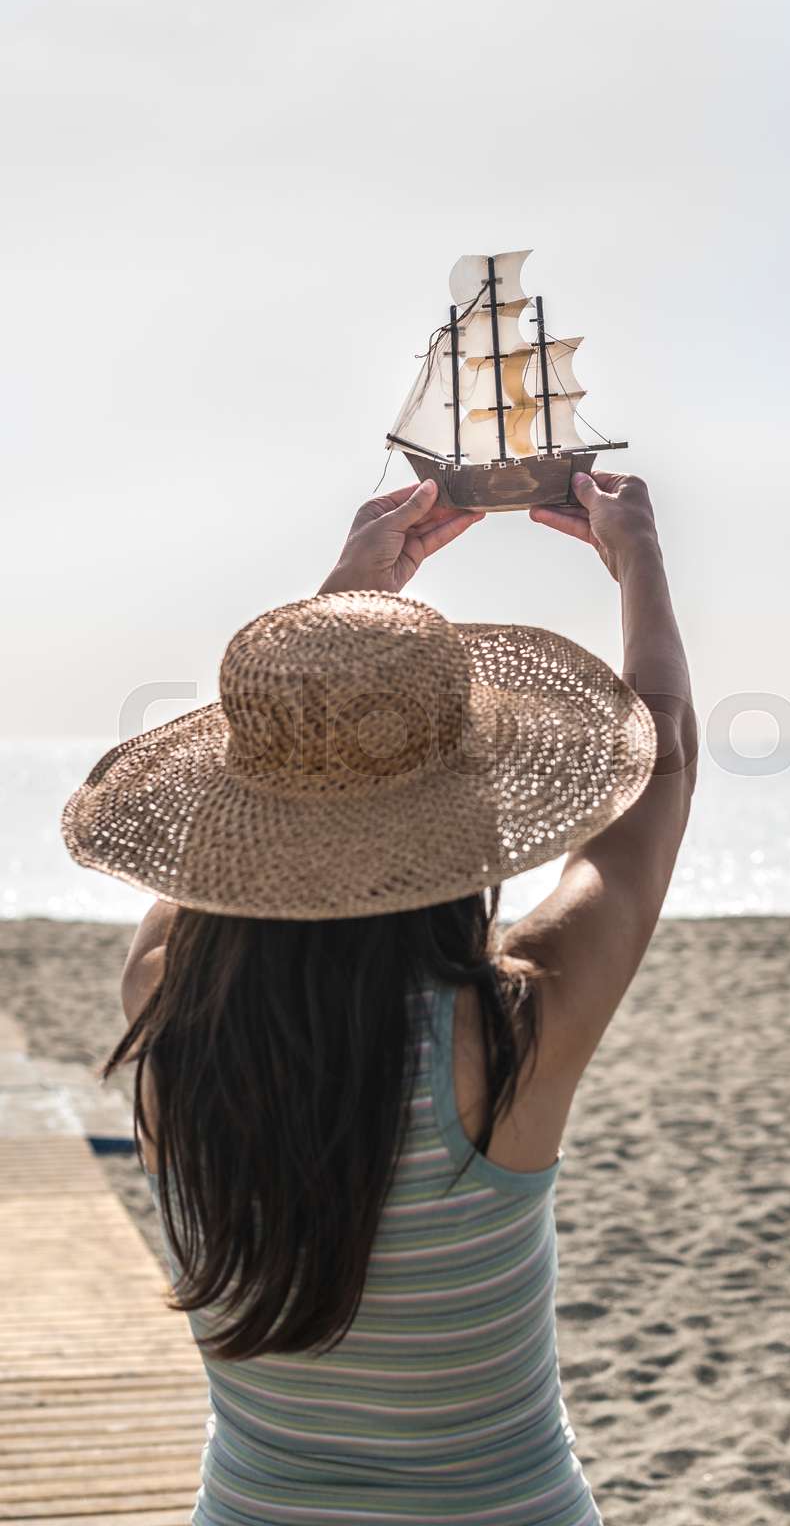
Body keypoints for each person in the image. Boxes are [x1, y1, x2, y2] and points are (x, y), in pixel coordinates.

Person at [63, 470, 697, 1526]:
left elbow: (215, 861)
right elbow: (662, 768)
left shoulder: (167, 1005)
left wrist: (333, 614)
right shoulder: (511, 1031)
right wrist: (640, 564)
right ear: (470, 809)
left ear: (235, 813)